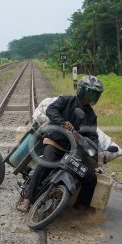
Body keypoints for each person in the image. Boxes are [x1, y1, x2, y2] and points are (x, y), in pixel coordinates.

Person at [17, 75, 103, 213]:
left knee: (91, 177)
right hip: (55, 143)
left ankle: (80, 209)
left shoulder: (91, 116)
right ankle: (27, 199)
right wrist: (62, 122)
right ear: (81, 90)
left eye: (94, 95)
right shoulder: (65, 100)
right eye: (88, 93)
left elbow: (92, 135)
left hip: (75, 152)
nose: (90, 97)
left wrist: (97, 147)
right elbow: (51, 110)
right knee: (45, 163)